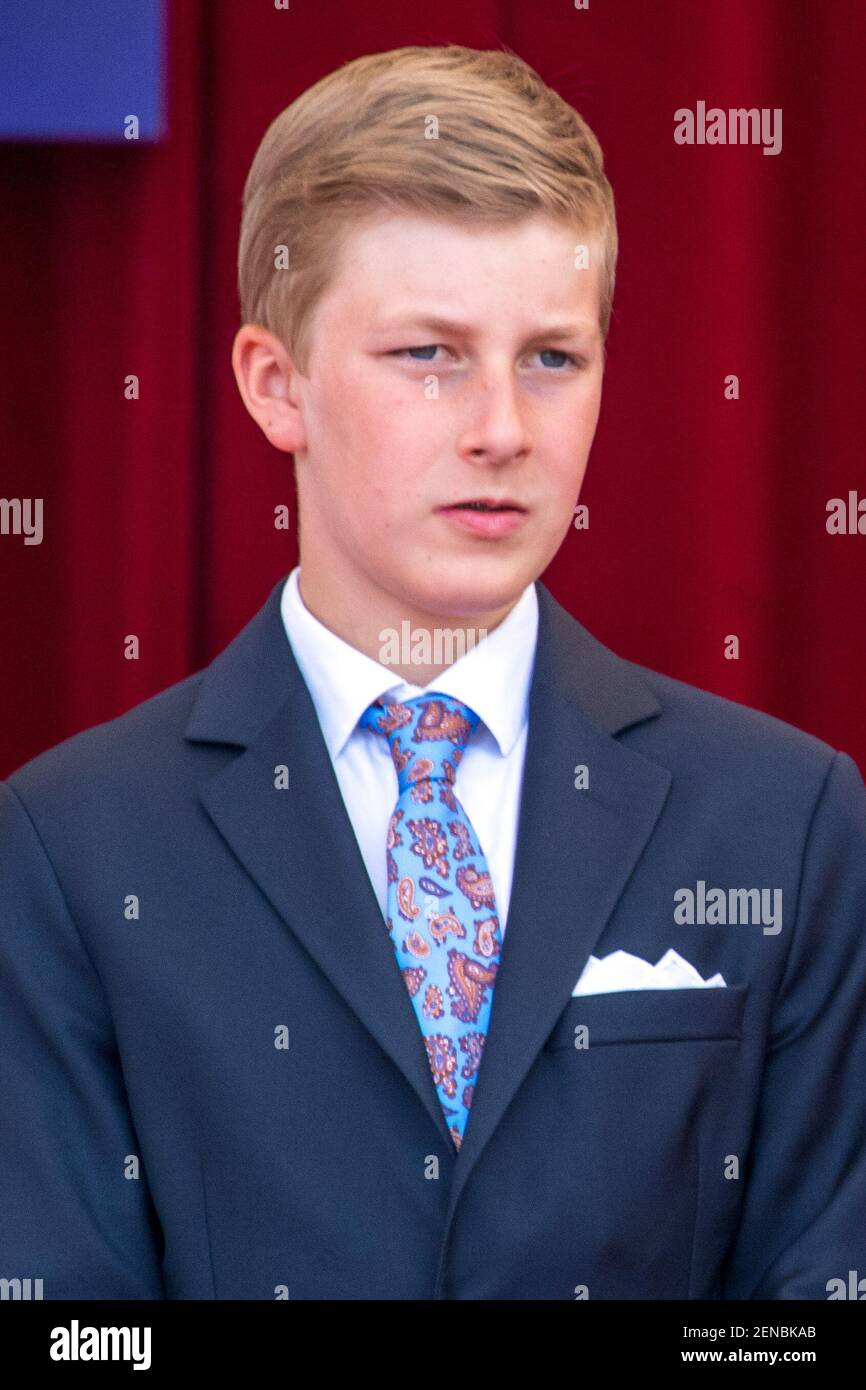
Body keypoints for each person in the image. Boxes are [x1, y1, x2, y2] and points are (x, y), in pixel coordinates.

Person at [1, 44, 864, 1301]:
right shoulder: (68, 846)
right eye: (428, 354)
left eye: (551, 358)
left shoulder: (785, 820)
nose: (503, 428)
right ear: (274, 383)